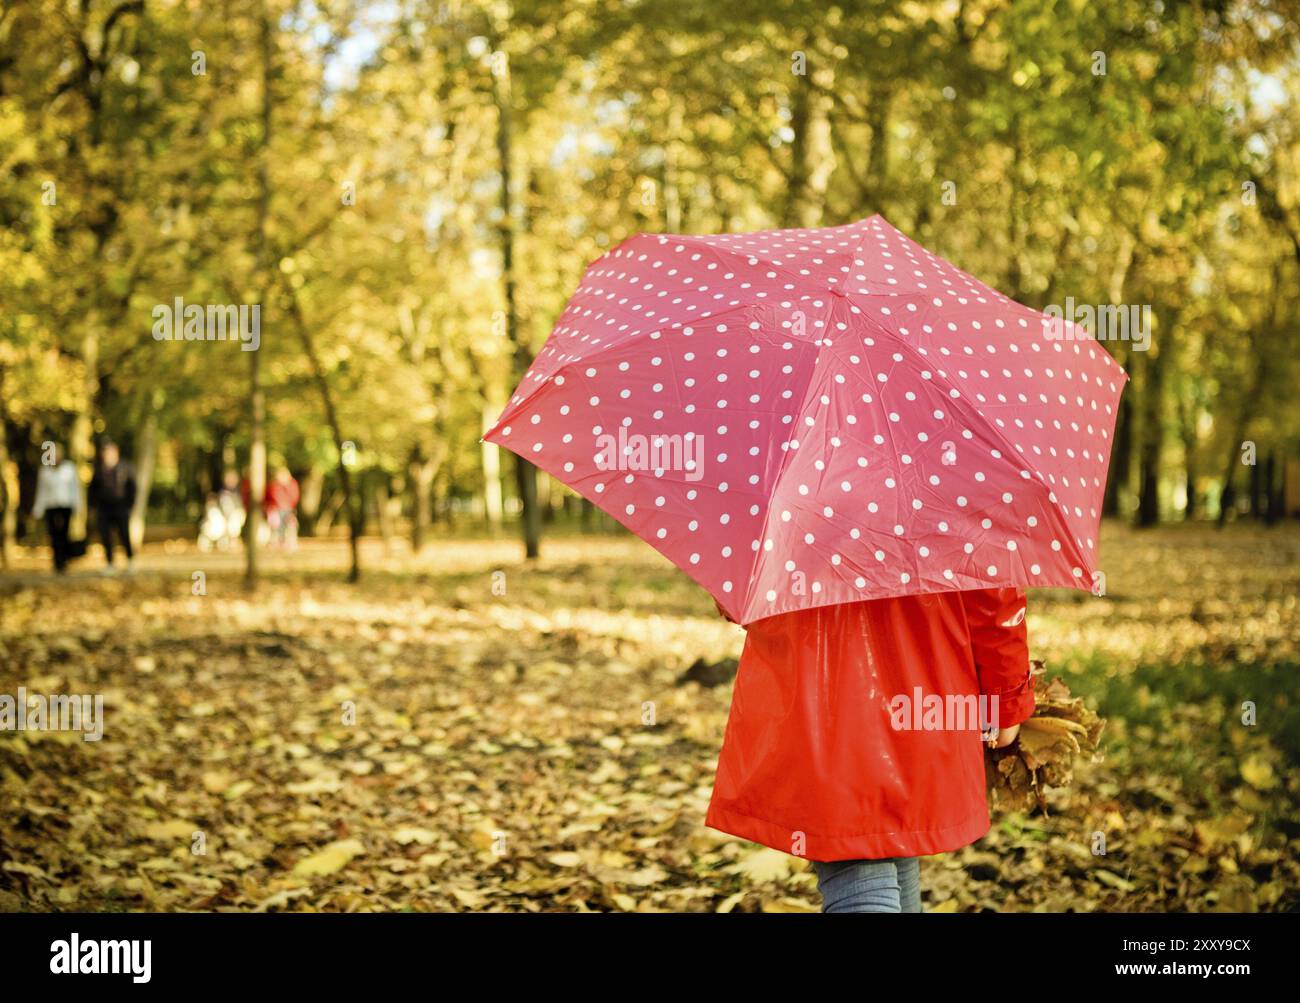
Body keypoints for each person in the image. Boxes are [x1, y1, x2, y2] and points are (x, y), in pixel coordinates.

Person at [706, 588, 1034, 913]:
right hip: (921, 703)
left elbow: (742, 594)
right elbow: (990, 593)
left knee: (862, 860)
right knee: (888, 839)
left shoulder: (783, 534)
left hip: (817, 711)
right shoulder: (955, 532)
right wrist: (1004, 701)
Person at [31, 444, 82, 573]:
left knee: (64, 533)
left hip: (65, 506)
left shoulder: (69, 468)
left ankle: (64, 560)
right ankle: (56, 562)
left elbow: (75, 489)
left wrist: (77, 505)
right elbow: (41, 491)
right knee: (53, 534)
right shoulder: (45, 471)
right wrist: (38, 510)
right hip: (51, 506)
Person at [88, 440, 137, 570]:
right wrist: (92, 507)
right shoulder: (99, 469)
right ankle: (110, 563)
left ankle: (130, 560)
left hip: (121, 507)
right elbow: (92, 489)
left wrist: (129, 505)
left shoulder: (125, 467)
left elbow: (132, 487)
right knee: (106, 536)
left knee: (124, 535)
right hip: (104, 508)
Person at [265, 466, 300, 551]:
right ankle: (277, 542)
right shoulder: (274, 485)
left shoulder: (292, 484)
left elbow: (295, 497)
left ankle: (288, 543)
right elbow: (268, 496)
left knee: (290, 526)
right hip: (276, 509)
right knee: (277, 526)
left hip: (288, 509)